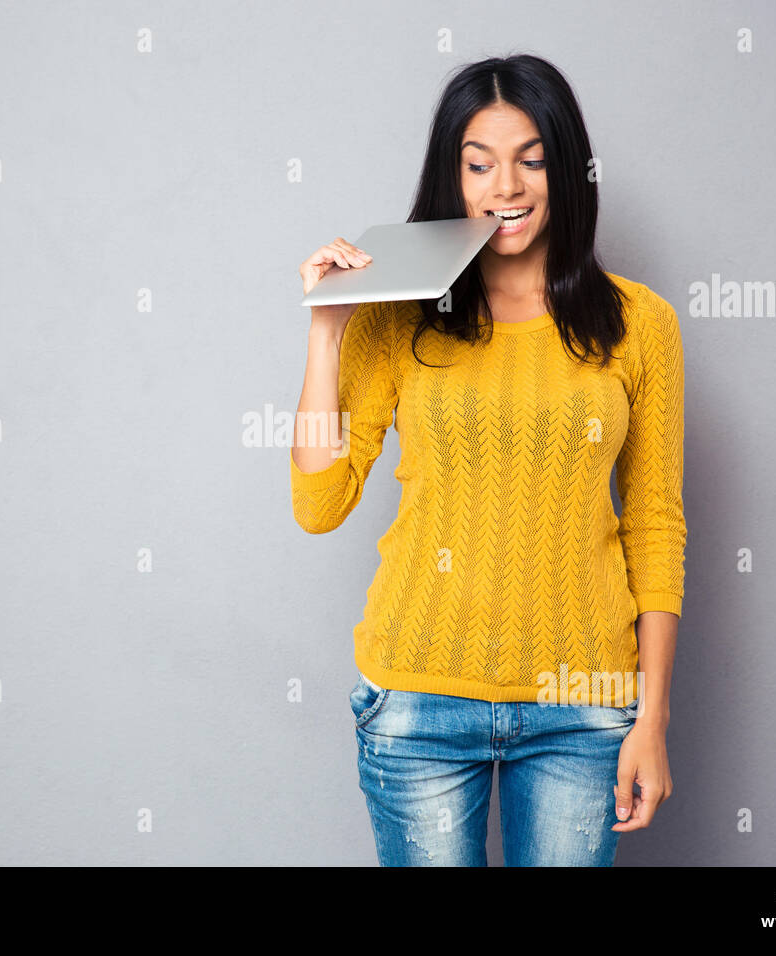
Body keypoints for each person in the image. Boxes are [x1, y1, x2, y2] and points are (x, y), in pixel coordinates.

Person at [289, 54, 686, 866]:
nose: (507, 185)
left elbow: (654, 525)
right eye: (479, 164)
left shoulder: (641, 324)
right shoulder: (394, 319)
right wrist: (326, 328)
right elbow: (319, 502)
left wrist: (653, 718)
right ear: (453, 178)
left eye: (531, 159)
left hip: (583, 707)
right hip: (420, 702)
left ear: (568, 170)